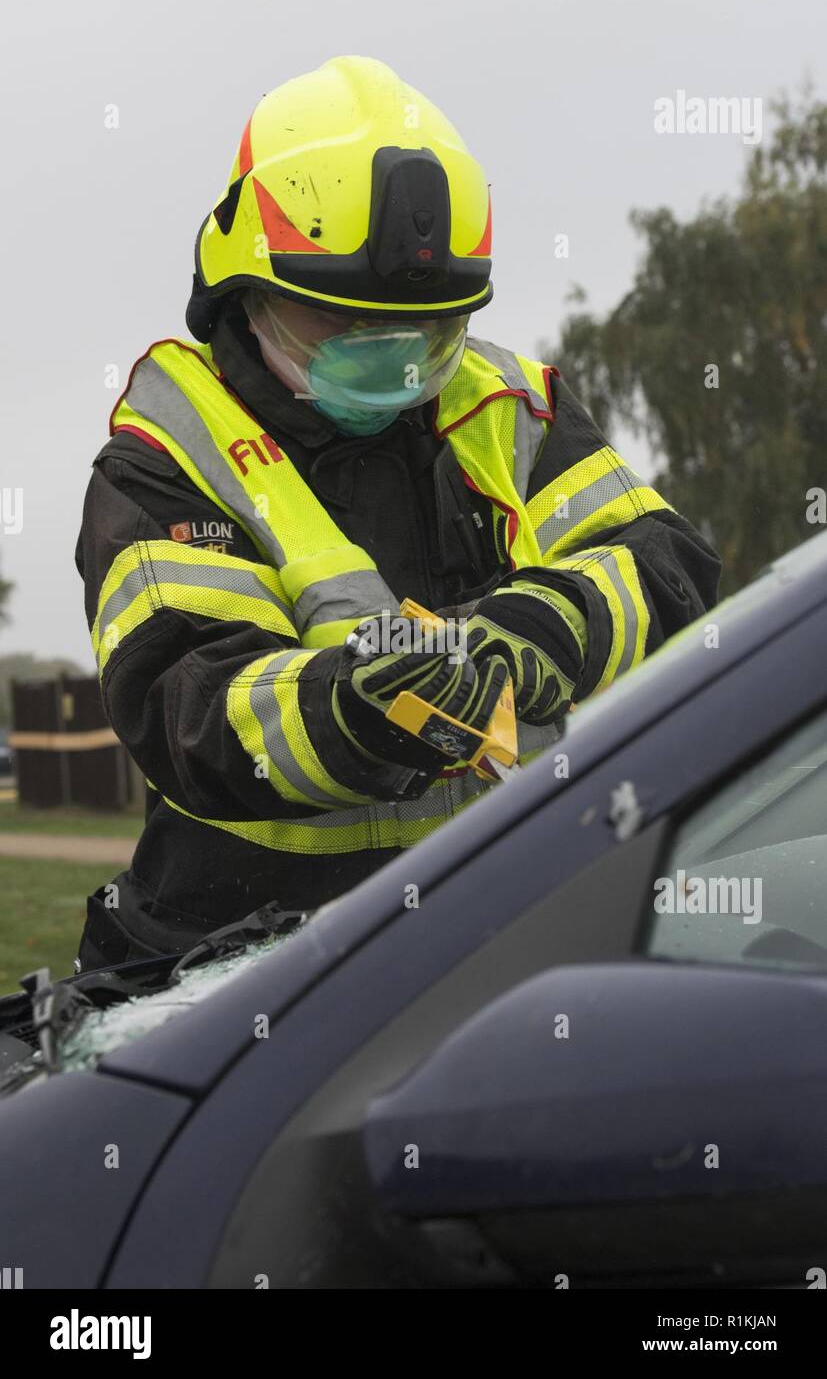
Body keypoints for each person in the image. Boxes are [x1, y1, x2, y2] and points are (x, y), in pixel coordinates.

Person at [75, 56, 720, 970]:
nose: (397, 371)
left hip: (501, 941)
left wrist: (551, 624)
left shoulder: (508, 402)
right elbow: (189, 714)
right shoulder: (166, 459)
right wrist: (355, 709)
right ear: (240, 290)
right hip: (242, 970)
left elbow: (666, 561)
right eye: (342, 330)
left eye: (426, 334)